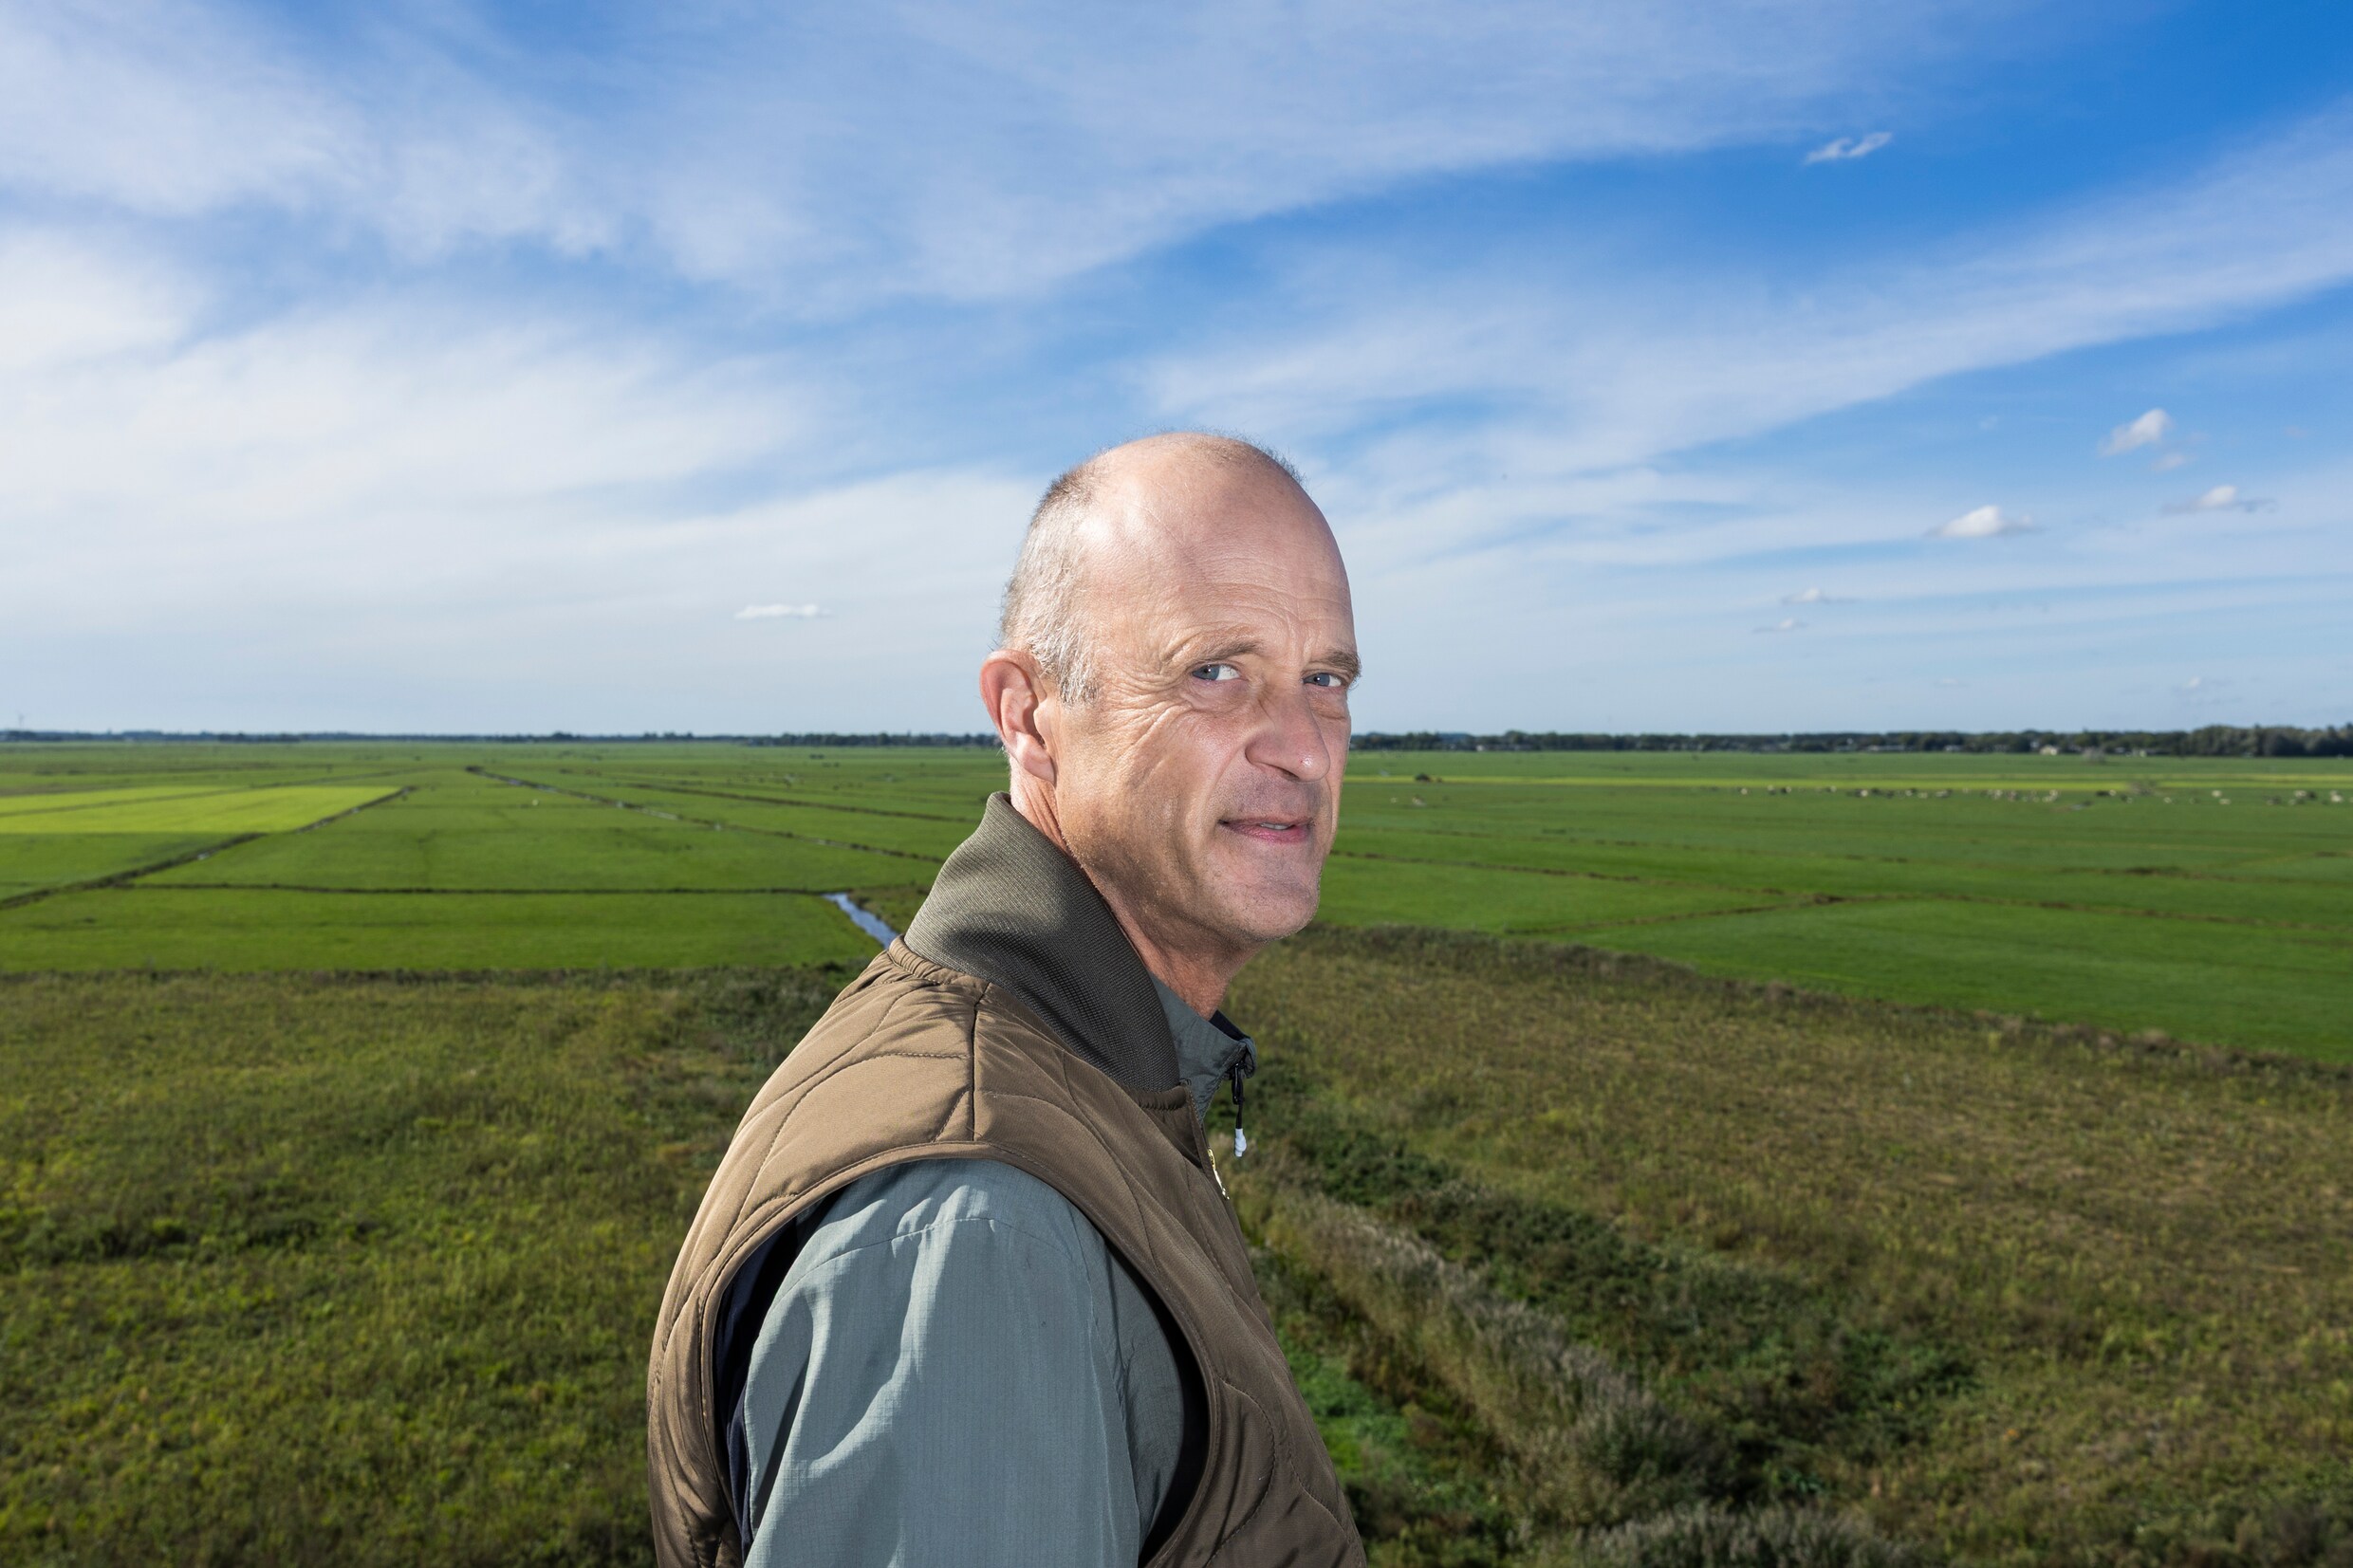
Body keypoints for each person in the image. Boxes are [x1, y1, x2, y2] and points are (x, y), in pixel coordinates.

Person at [647, 433, 1366, 1568]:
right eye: (1213, 672)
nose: (1302, 750)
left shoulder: (1080, 1082)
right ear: (1029, 716)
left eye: (1322, 679)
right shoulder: (971, 1234)